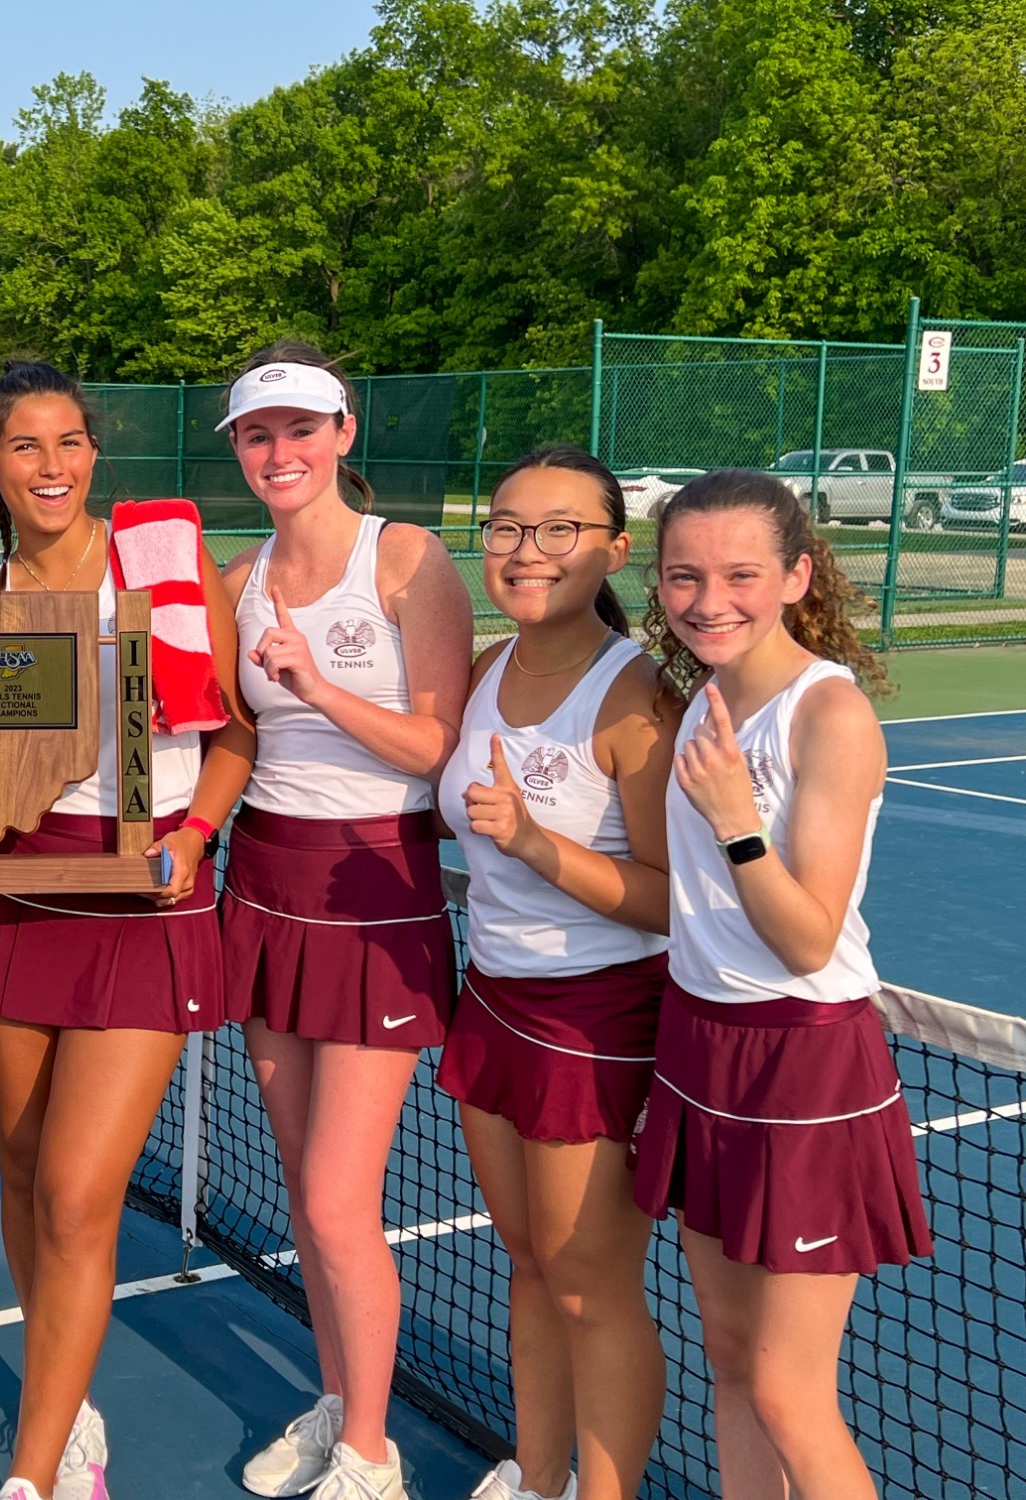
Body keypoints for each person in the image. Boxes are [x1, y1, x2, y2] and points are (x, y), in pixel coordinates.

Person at [0, 361, 255, 1500]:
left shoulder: (163, 559)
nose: (53, 465)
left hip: (146, 902)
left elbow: (234, 737)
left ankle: (30, 1473)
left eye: (69, 442)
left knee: (78, 1194)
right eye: (25, 447)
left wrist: (199, 833)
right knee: (21, 1171)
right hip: (26, 901)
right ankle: (63, 1412)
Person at [632, 468, 929, 1497]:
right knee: (724, 1357)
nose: (707, 600)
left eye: (739, 574)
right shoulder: (701, 701)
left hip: (803, 1059)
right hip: (697, 1045)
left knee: (785, 1388)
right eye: (682, 575)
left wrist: (731, 818)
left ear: (797, 576)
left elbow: (805, 940)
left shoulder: (828, 715)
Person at [214, 344, 472, 1500]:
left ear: (342, 435)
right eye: (258, 436)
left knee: (334, 1199)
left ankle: (373, 1453)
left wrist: (317, 685)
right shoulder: (236, 579)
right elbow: (221, 739)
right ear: (238, 450)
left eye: (300, 430)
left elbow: (436, 748)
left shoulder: (408, 560)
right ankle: (334, 1405)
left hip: (374, 886)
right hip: (261, 877)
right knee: (298, 1192)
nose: (281, 453)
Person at [434, 447, 679, 1500]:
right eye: (504, 528)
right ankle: (537, 1477)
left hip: (602, 1016)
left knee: (589, 1283)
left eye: (557, 530)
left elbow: (675, 899)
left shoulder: (636, 703)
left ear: (613, 550)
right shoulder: (487, 666)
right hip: (490, 996)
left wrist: (540, 847)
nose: (524, 551)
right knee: (528, 1261)